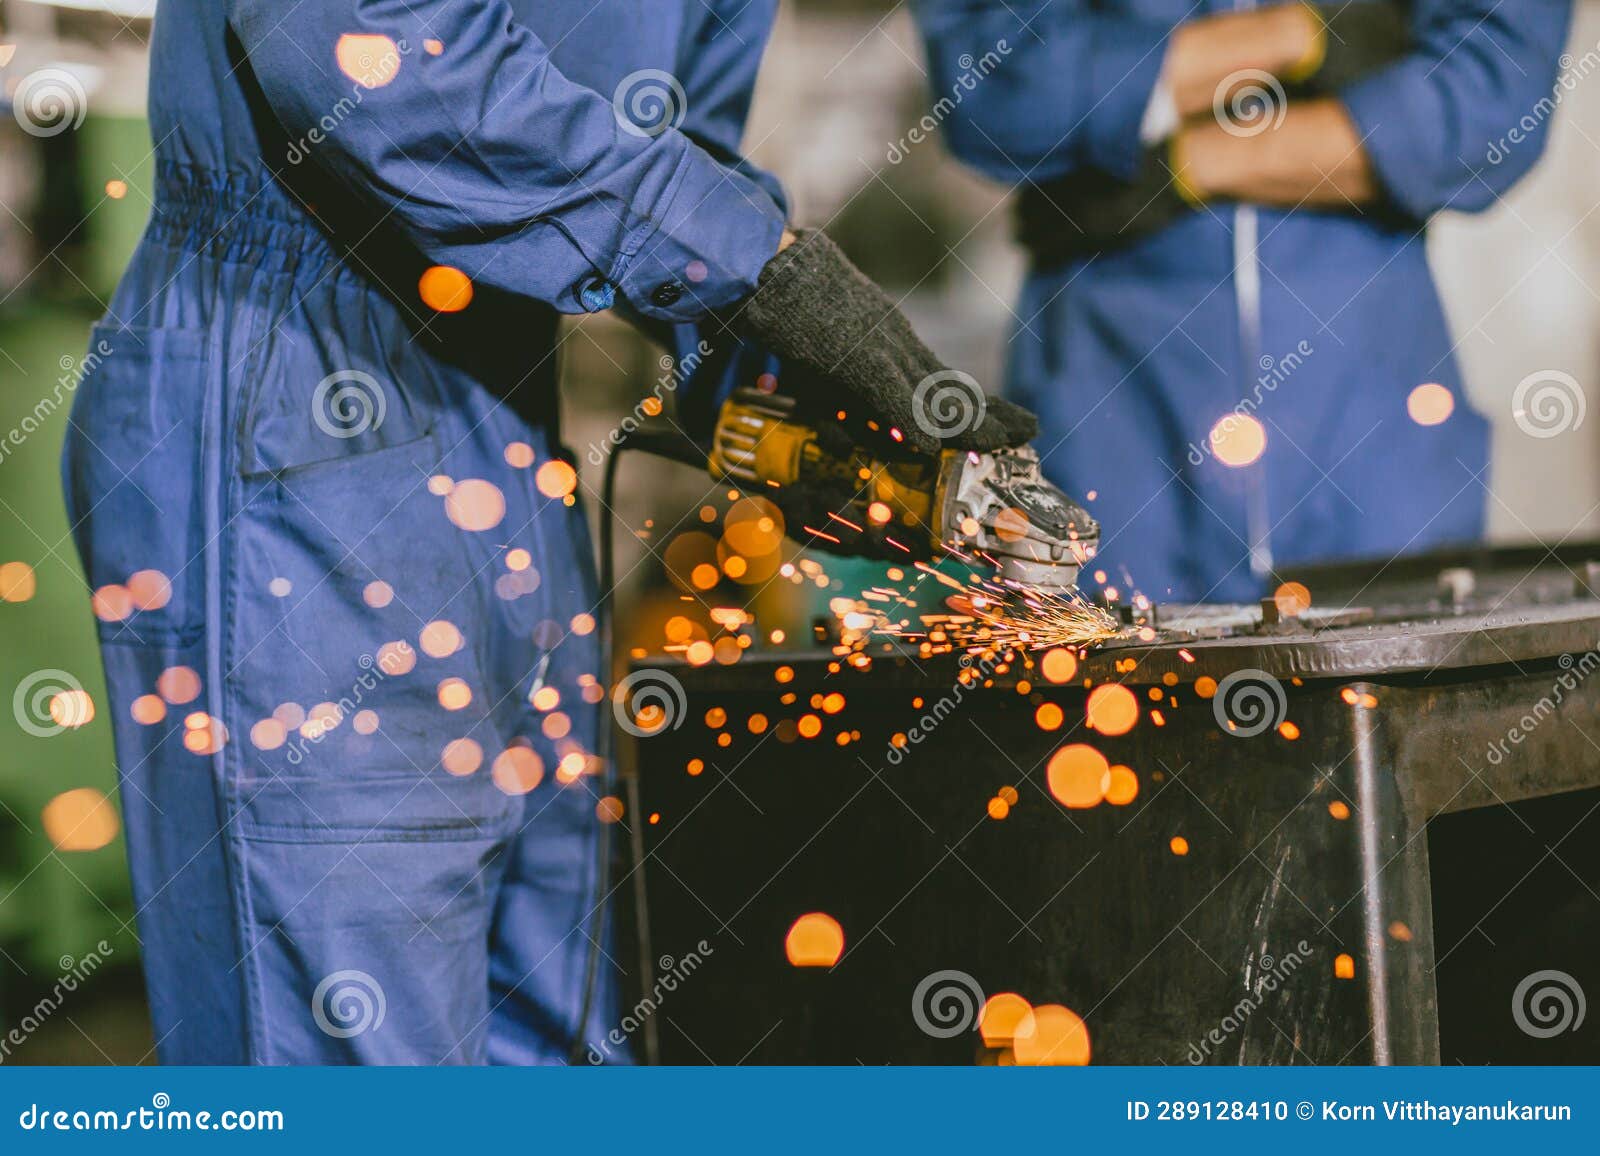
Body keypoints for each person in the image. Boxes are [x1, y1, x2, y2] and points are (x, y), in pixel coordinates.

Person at [62, 0, 1032, 1064]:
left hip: (504, 403)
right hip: (295, 376)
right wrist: (758, 265)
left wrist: (765, 368)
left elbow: (672, 141)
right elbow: (371, 53)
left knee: (558, 1022)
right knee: (349, 1052)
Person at [915, 0, 1572, 602]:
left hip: (1377, 427)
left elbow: (1491, 97)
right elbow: (995, 92)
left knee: (1403, 710)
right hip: (1105, 411)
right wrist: (1311, 30)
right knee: (1104, 708)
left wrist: (1178, 168)